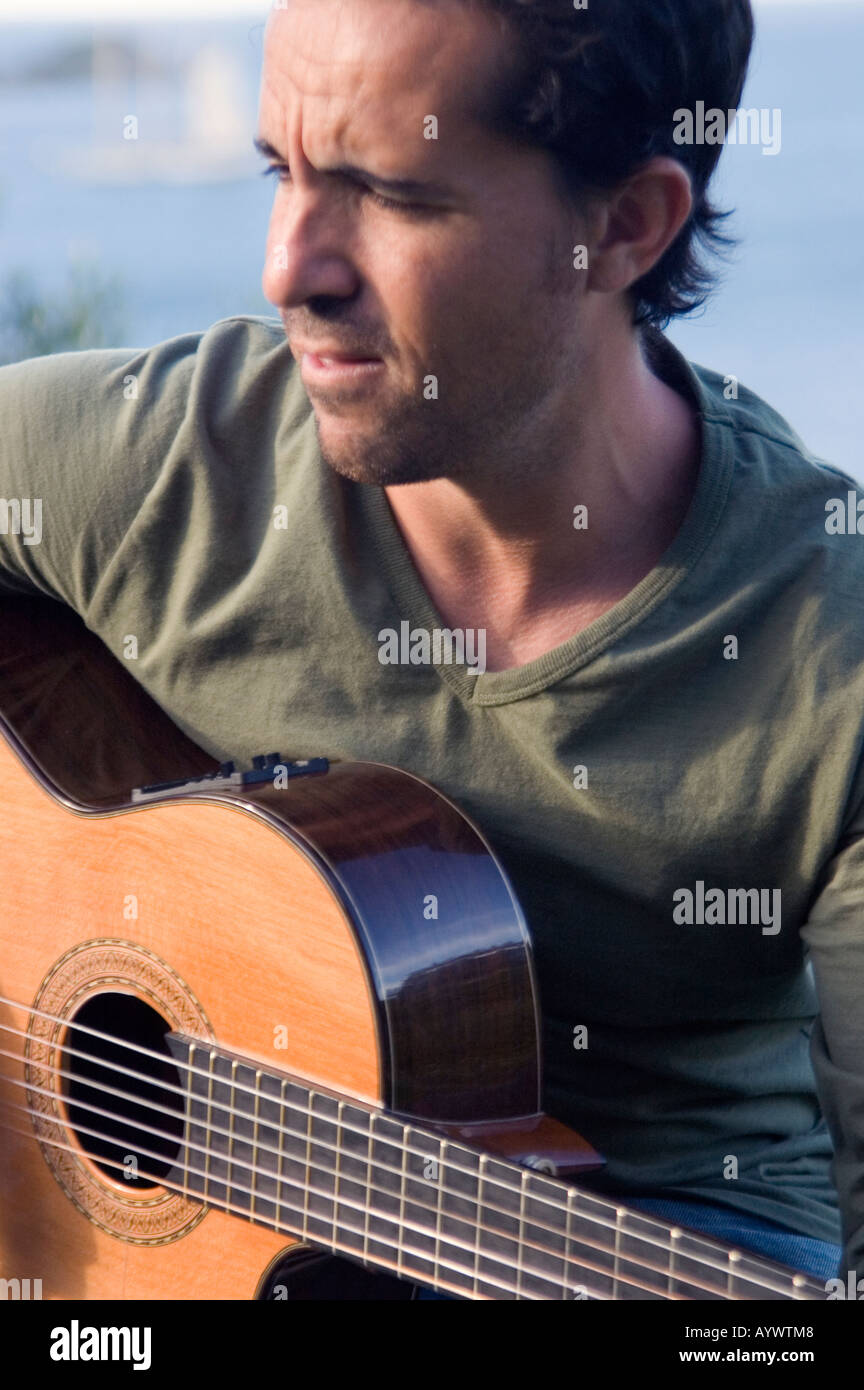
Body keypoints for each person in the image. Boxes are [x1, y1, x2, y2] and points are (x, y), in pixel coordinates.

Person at [0, 0, 860, 1292]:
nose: (289, 267)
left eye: (386, 194)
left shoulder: (827, 650)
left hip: (671, 1236)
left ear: (627, 225)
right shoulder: (168, 466)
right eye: (279, 171)